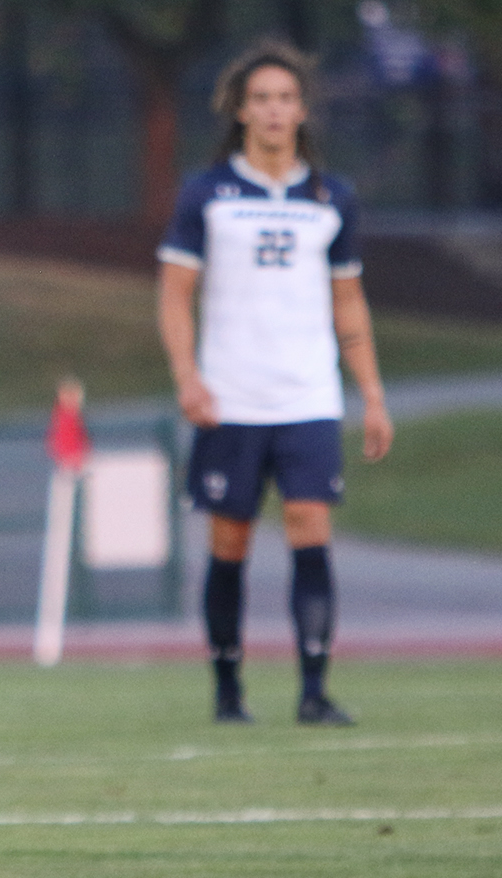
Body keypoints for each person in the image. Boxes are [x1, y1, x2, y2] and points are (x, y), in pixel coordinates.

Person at [157, 40, 393, 726]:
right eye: (260, 98)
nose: (273, 111)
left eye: (286, 98)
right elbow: (175, 294)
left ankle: (313, 691)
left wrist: (371, 393)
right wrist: (188, 376)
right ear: (239, 108)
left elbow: (349, 300)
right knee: (229, 542)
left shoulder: (331, 197)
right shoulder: (207, 194)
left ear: (302, 109)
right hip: (230, 396)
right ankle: (228, 694)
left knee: (308, 526)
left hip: (308, 395)